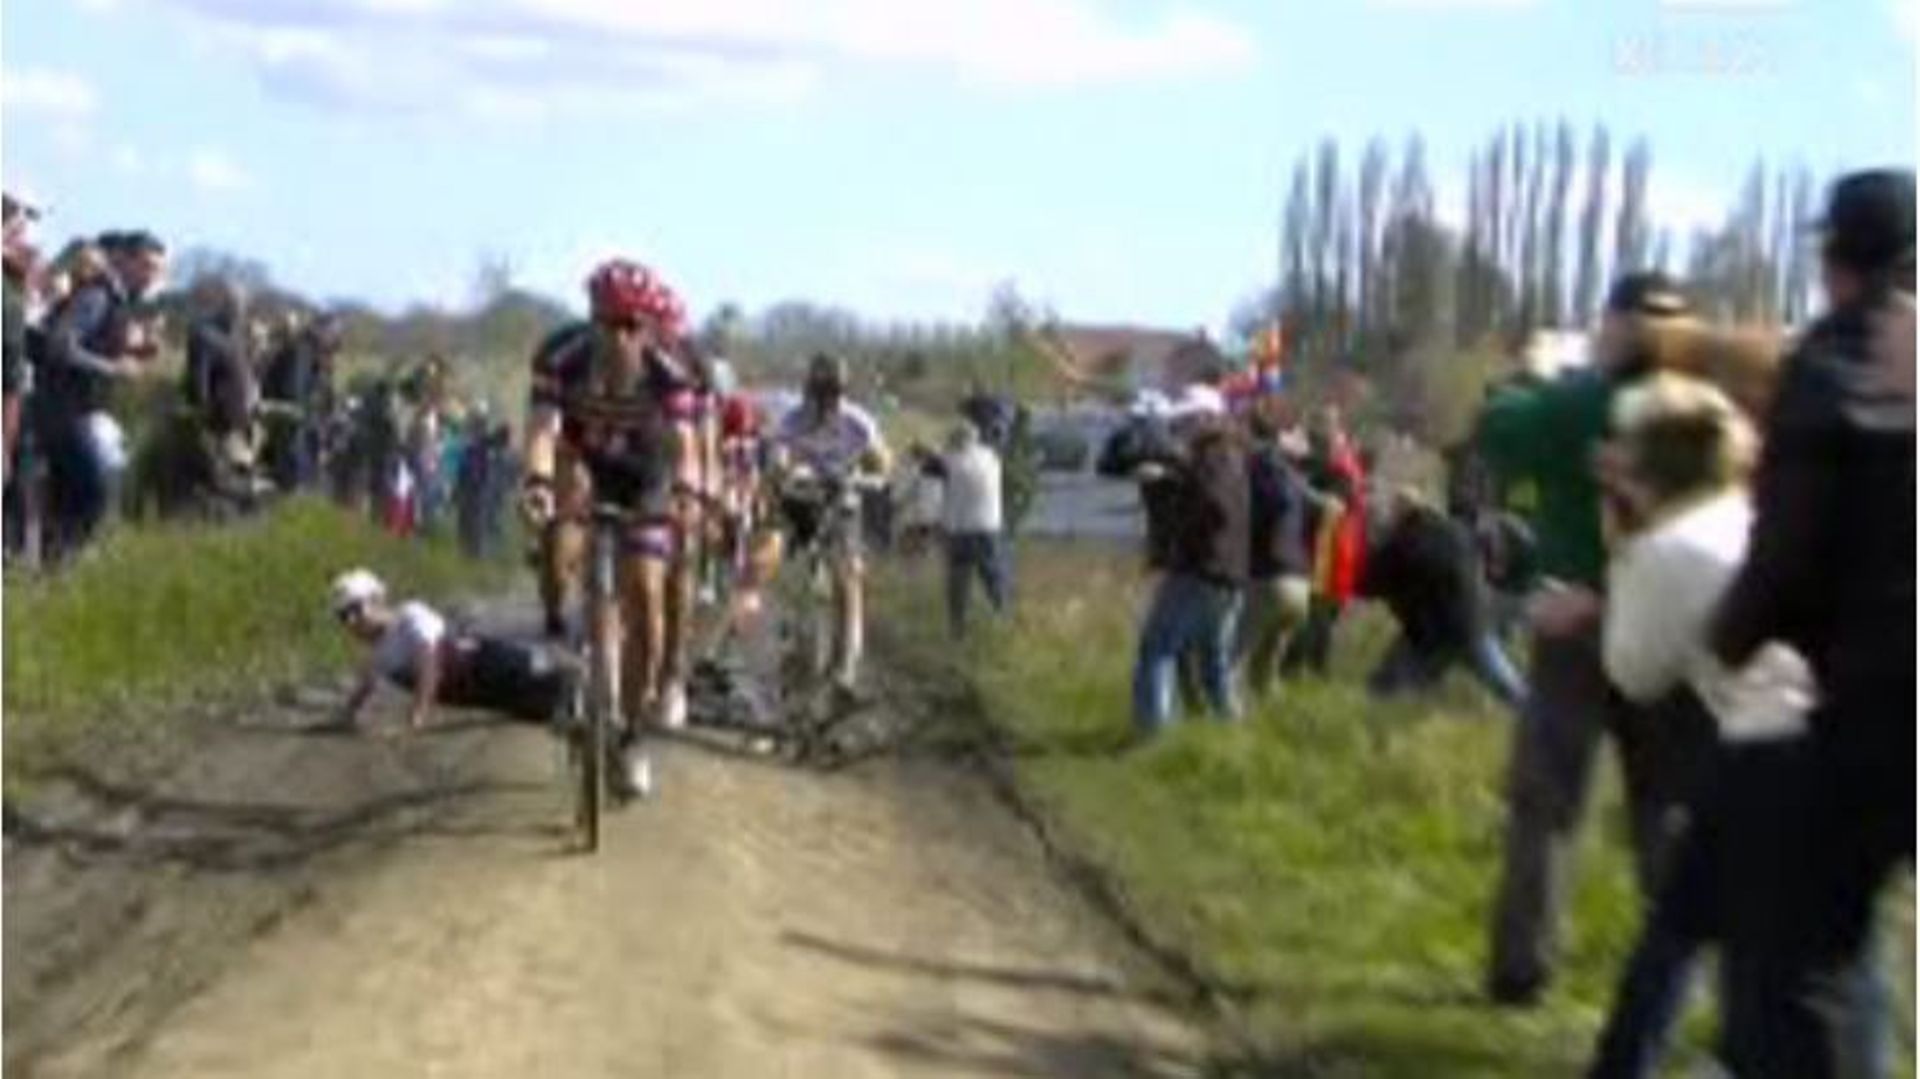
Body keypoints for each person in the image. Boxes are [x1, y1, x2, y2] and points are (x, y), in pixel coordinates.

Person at [1706, 168, 1915, 1078]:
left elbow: (1787, 548)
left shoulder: (1832, 363)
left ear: (1835, 259)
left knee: (1781, 964)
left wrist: (1726, 640)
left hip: (1874, 699)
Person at [1580, 373, 1837, 1078]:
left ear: (1642, 467)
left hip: (1774, 756)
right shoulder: (1744, 513)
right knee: (1688, 924)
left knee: (1761, 985)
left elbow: (1635, 670)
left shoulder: (1668, 549)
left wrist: (1623, 546)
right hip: (1806, 743)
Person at [1478, 270, 1717, 1007]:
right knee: (1666, 808)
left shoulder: (1577, 403)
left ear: (1613, 324)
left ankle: (1523, 965)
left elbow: (1498, 431)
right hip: (1673, 624)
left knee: (1547, 804)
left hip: (1573, 621)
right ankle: (1683, 980)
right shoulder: (1703, 411)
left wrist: (1540, 371)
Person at [521, 257, 699, 792]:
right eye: (609, 323)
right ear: (592, 319)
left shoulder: (669, 370)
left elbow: (686, 448)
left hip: (643, 470)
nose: (620, 336)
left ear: (647, 327)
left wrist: (689, 492)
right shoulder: (561, 355)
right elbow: (542, 431)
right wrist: (536, 482)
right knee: (562, 519)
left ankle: (633, 736)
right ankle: (566, 636)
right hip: (581, 457)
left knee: (645, 594)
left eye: (632, 326)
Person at [36, 230, 166, 562]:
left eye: (158, 269)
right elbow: (60, 345)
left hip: (78, 409)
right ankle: (63, 566)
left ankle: (55, 572)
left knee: (74, 496)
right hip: (63, 410)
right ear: (124, 259)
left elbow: (96, 345)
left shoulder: (117, 300)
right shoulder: (99, 296)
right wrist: (113, 368)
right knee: (93, 492)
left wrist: (138, 352)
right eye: (147, 266)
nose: (153, 276)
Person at [771, 352, 893, 700]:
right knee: (788, 564)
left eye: (834, 393)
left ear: (843, 392)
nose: (827, 402)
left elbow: (883, 461)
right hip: (801, 505)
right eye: (820, 393)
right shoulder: (794, 419)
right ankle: (791, 638)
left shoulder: (857, 421)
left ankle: (846, 669)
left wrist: (870, 475)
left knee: (849, 575)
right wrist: (784, 469)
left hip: (842, 506)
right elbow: (779, 453)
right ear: (808, 390)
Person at [328, 569, 579, 733]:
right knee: (540, 713)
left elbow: (431, 664)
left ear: (376, 600)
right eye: (343, 617)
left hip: (482, 662)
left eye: (355, 610)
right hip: (473, 695)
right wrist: (346, 717)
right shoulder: (375, 652)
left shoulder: (410, 615)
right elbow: (364, 687)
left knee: (554, 678)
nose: (351, 622)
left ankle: (586, 671)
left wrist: (418, 714)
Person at [1131, 409, 1249, 738]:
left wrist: (1179, 523)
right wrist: (1170, 481)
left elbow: (1211, 506)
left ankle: (1154, 734)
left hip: (1200, 570)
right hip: (1232, 577)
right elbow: (1207, 496)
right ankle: (1233, 732)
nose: (1181, 431)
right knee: (1215, 661)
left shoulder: (1212, 458)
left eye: (1187, 424)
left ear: (1206, 427)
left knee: (1157, 648)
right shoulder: (1235, 461)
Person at [1360, 487, 1526, 709]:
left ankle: (1387, 715)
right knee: (1507, 684)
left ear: (1398, 513)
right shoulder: (1455, 530)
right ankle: (1543, 717)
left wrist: (1370, 549)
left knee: (1386, 686)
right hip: (1473, 621)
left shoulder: (1399, 544)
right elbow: (1484, 562)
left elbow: (1369, 585)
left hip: (1433, 632)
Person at [1237, 401, 1314, 703]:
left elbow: (1259, 512)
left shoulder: (1259, 467)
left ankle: (1218, 729)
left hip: (1269, 578)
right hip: (1300, 584)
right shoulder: (1292, 474)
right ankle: (1276, 725)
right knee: (1265, 672)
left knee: (1229, 660)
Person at [1283, 404, 1365, 675]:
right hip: (1336, 547)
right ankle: (1304, 671)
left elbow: (1333, 505)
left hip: (1331, 550)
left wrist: (1297, 482)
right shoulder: (1340, 463)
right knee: (1319, 615)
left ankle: (1304, 670)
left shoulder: (1340, 469)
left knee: (1318, 616)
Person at [182, 275, 263, 513]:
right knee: (221, 474)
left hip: (238, 415)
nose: (239, 308)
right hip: (216, 416)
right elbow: (199, 377)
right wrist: (203, 409)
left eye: (242, 303)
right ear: (223, 303)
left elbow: (243, 373)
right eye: (235, 303)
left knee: (241, 471)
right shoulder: (205, 334)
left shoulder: (234, 336)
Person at [931, 420, 1007, 638]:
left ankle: (958, 631)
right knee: (992, 579)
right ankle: (1002, 620)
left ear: (956, 440)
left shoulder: (951, 460)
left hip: (960, 531)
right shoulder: (992, 458)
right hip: (989, 528)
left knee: (958, 586)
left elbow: (932, 466)